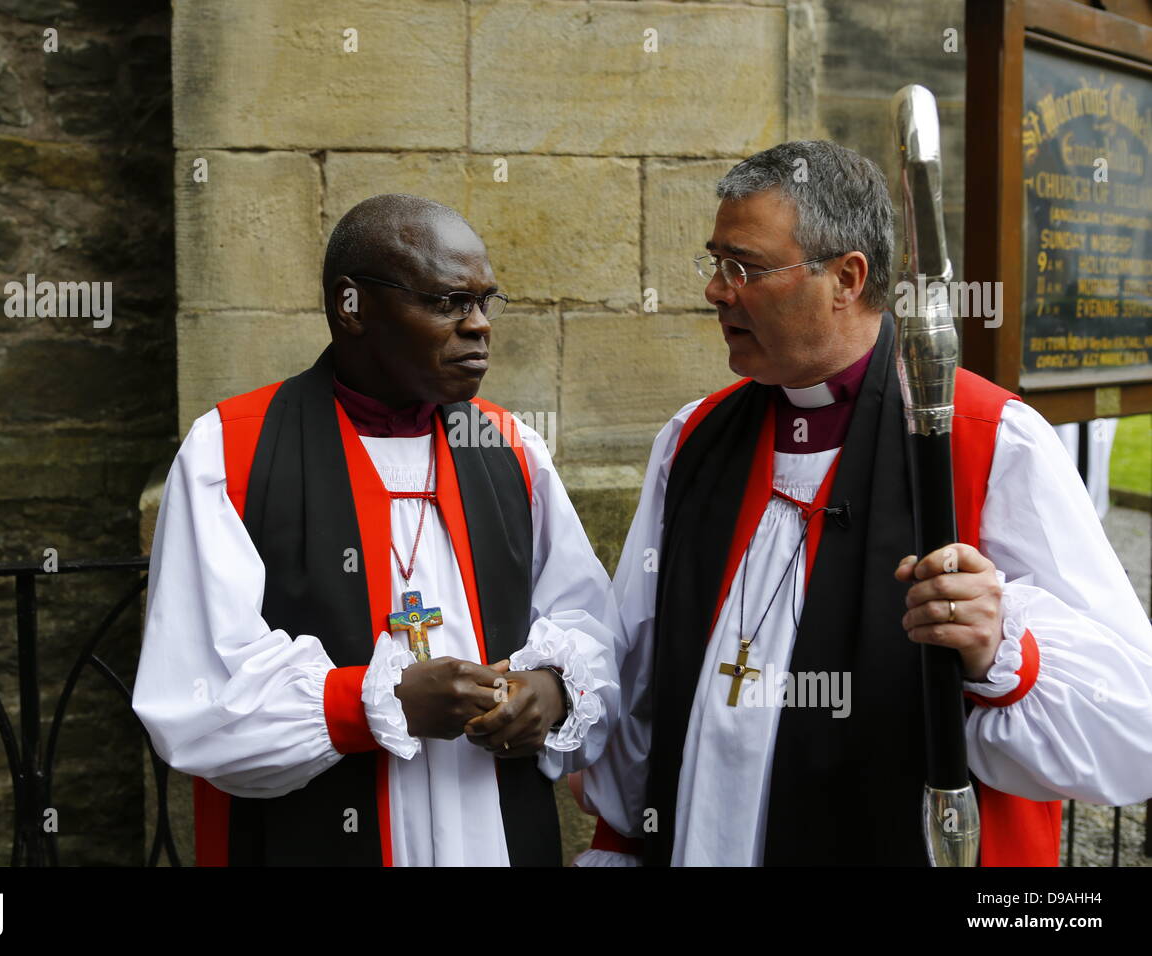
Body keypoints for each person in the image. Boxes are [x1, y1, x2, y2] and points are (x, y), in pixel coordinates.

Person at [575, 141, 1152, 866]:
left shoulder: (988, 440)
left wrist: (999, 649)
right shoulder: (693, 437)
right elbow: (639, 672)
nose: (718, 291)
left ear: (846, 277)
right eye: (716, 264)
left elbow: (1134, 727)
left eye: (744, 268)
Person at [133, 194, 619, 866]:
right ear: (351, 305)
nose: (479, 327)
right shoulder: (230, 454)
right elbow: (195, 699)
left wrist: (555, 691)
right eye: (448, 302)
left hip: (492, 831)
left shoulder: (511, 450)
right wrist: (375, 706)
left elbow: (592, 630)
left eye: (486, 302)